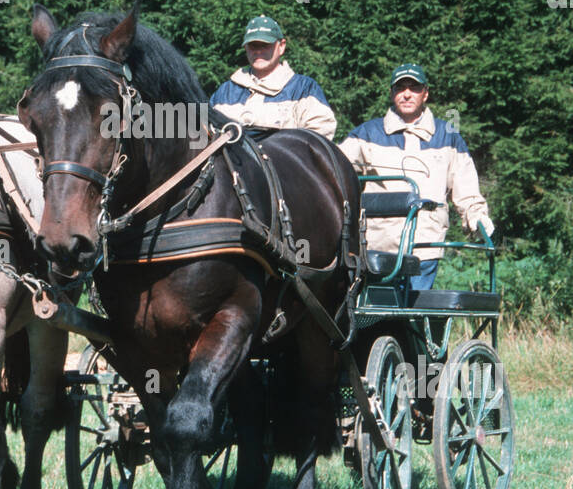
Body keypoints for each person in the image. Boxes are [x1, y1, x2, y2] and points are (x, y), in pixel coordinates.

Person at [339, 62, 494, 291]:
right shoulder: (367, 133)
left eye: (415, 88)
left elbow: (467, 189)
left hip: (426, 245)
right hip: (378, 246)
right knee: (378, 314)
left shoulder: (447, 136)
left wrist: (477, 218)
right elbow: (335, 170)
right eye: (401, 88)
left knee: (413, 316)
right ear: (392, 94)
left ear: (426, 94)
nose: (407, 94)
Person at [209, 15, 337, 139]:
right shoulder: (224, 91)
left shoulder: (304, 88)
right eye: (253, 45)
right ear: (245, 48)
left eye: (265, 45)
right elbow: (198, 136)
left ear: (281, 46)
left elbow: (319, 136)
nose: (258, 51)